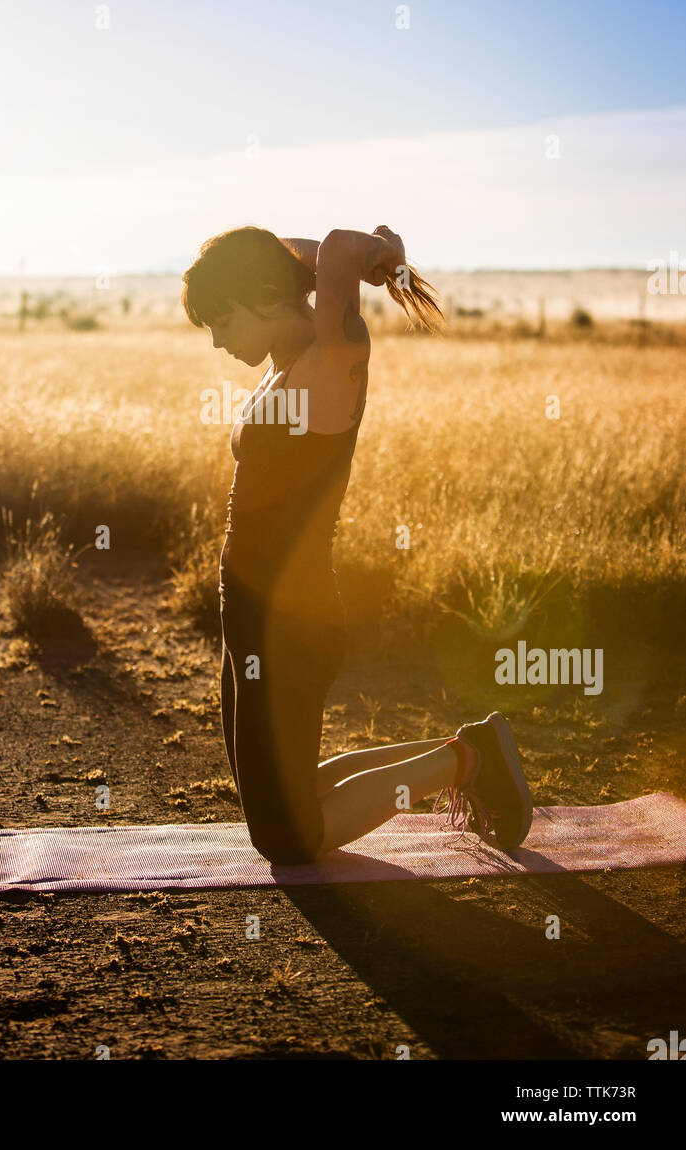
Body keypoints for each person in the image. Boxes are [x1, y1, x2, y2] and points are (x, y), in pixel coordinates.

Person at [181, 224, 533, 864]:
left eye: (223, 320)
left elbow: (338, 248)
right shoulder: (289, 364)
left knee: (288, 838)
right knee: (288, 794)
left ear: (264, 294)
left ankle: (465, 762)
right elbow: (296, 251)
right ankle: (476, 748)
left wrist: (379, 255)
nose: (217, 340)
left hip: (290, 618)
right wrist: (315, 264)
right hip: (250, 614)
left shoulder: (335, 355)